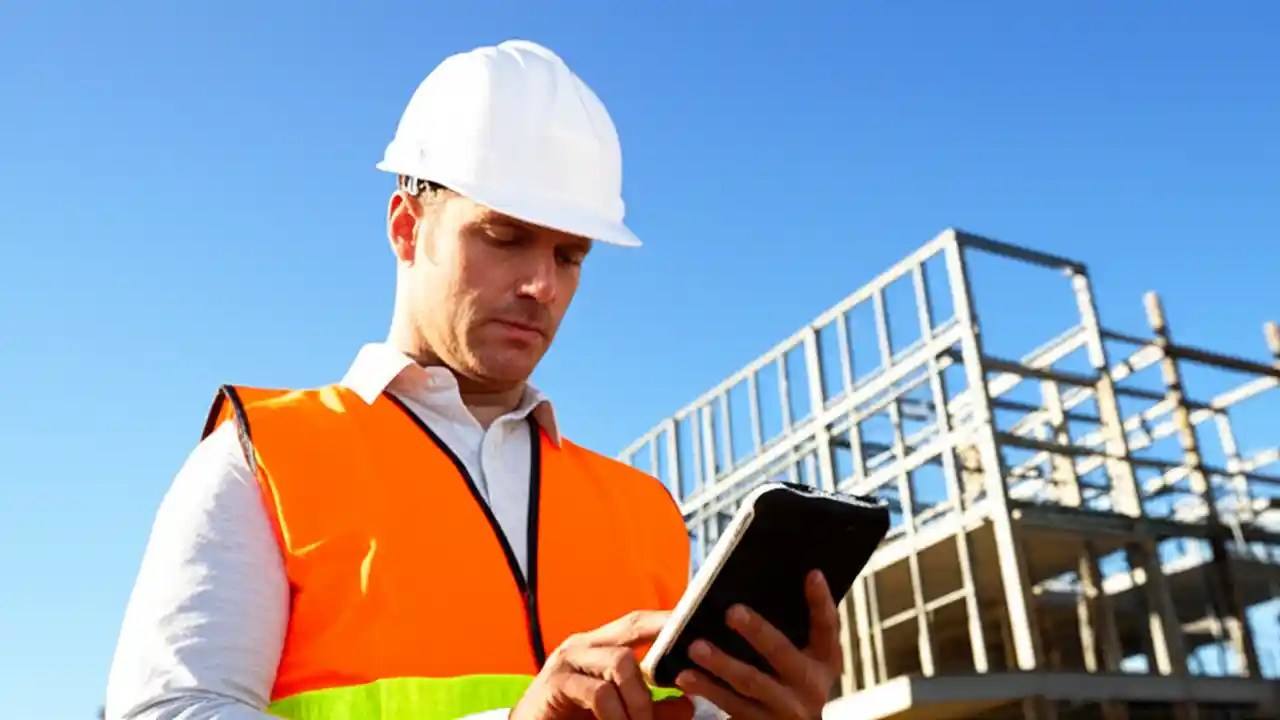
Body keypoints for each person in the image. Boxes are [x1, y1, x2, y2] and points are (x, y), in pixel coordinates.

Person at [104, 39, 843, 720]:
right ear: (405, 226)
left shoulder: (644, 513)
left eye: (569, 255)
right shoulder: (266, 459)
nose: (541, 285)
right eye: (504, 237)